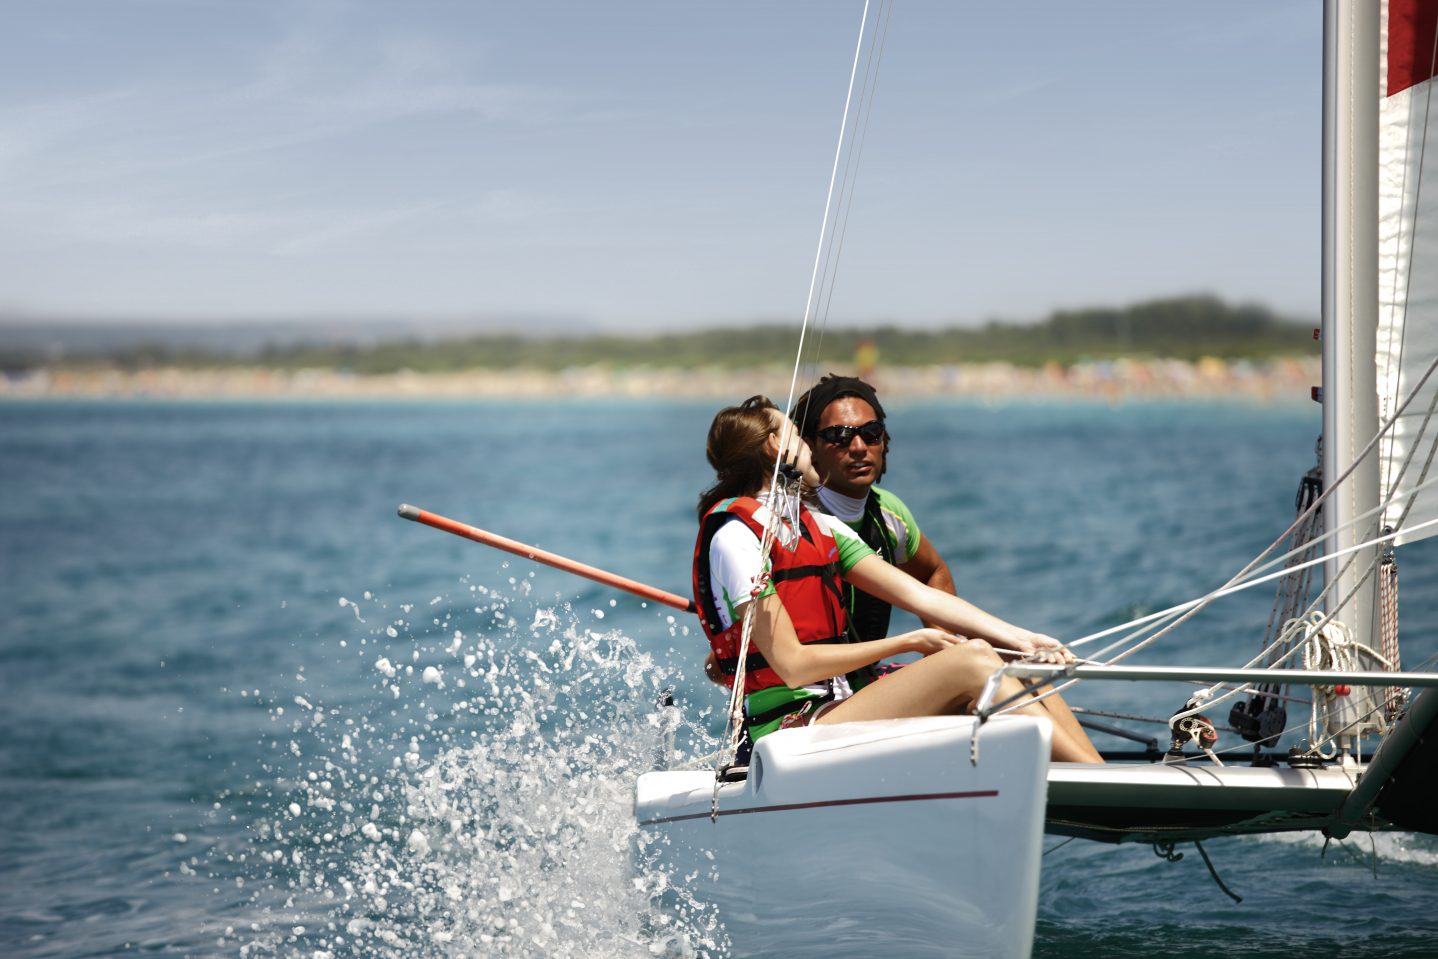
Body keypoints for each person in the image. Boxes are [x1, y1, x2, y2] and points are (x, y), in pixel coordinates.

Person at [693, 395, 1102, 763]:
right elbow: (794, 666)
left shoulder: (819, 527)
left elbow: (921, 597)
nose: (809, 451)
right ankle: (1099, 788)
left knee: (1011, 662)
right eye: (799, 437)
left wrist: (1022, 638)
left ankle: (1099, 775)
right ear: (774, 447)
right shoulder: (736, 537)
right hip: (790, 728)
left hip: (844, 703)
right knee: (975, 660)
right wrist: (909, 641)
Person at [793, 374, 953, 642]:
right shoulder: (788, 517)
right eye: (839, 436)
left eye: (870, 433)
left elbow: (931, 573)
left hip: (868, 679)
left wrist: (942, 644)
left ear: (884, 441)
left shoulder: (888, 513)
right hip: (806, 681)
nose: (858, 447)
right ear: (810, 447)